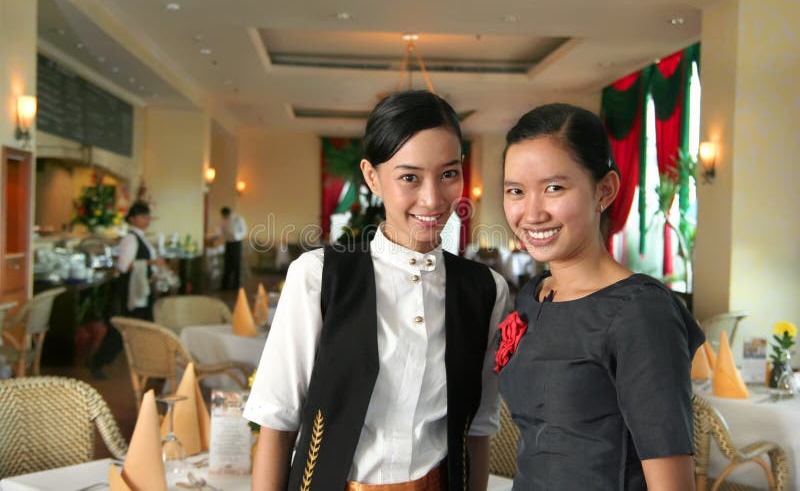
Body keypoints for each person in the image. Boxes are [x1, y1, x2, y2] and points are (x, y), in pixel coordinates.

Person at [244, 90, 509, 490]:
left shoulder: (486, 290)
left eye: (448, 174)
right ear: (372, 177)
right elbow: (277, 424)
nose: (433, 198)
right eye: (409, 177)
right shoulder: (318, 277)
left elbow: (478, 429)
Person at [497, 103, 705, 490]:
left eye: (554, 188)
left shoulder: (640, 313)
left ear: (604, 191)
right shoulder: (534, 296)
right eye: (516, 191)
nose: (532, 212)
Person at [90, 201, 163, 379]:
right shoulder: (130, 239)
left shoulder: (140, 237)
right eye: (142, 216)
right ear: (132, 218)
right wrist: (150, 263)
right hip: (132, 292)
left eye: (147, 217)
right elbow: (123, 266)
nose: (146, 220)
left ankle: (153, 368)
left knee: (147, 329)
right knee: (123, 330)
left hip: (142, 291)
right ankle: (97, 362)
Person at [215, 206, 247, 291]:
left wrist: (236, 235)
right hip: (228, 243)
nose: (224, 217)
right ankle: (224, 286)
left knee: (236, 265)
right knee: (227, 265)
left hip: (236, 243)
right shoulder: (223, 220)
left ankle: (236, 286)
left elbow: (244, 232)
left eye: (225, 216)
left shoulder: (238, 219)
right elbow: (220, 230)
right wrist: (217, 236)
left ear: (229, 213)